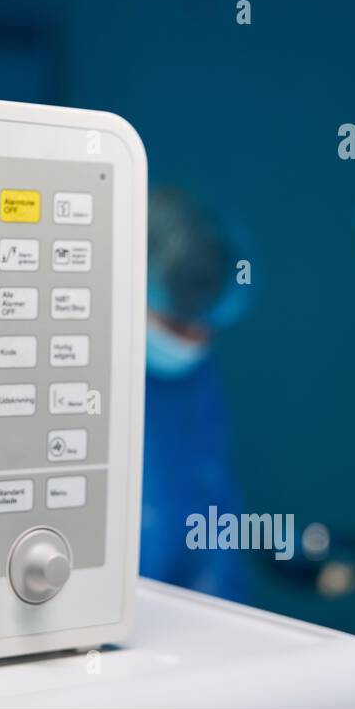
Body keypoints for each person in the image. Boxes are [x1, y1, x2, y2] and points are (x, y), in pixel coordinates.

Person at [140, 187, 248, 599]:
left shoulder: (198, 382)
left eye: (205, 324)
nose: (193, 341)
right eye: (175, 322)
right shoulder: (80, 370)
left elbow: (214, 510)